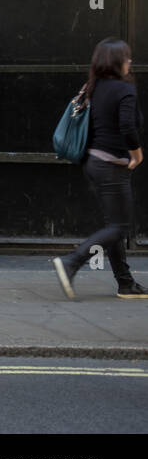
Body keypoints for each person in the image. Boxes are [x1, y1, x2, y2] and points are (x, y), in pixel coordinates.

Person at [53, 38, 147, 299]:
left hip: (93, 163)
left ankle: (126, 283)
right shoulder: (124, 89)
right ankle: (72, 262)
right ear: (117, 62)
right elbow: (128, 127)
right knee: (120, 226)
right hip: (111, 166)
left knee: (113, 225)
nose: (130, 62)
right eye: (127, 58)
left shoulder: (95, 87)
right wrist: (137, 155)